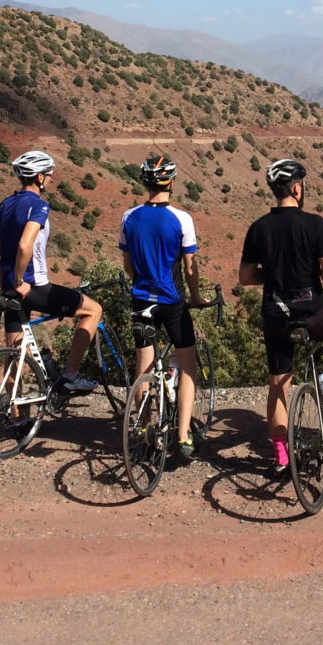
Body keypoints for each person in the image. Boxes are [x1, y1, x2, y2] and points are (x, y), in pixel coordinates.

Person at [239, 158, 323, 476]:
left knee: (278, 386)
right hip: (312, 316)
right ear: (297, 187)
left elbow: (245, 278)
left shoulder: (258, 229)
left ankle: (282, 456)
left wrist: (271, 277)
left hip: (276, 318)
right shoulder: (314, 224)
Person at [0, 150, 103, 395]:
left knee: (15, 356)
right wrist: (21, 281)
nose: (51, 179)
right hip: (34, 286)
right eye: (49, 175)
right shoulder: (39, 206)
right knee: (93, 310)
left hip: (10, 289)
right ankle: (71, 375)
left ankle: (19, 421)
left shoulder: (4, 205)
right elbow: (25, 244)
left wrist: (7, 284)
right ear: (39, 178)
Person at [119, 153, 206, 462]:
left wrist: (143, 285)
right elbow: (190, 268)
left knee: (143, 366)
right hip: (172, 302)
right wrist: (195, 297)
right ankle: (182, 435)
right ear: (171, 182)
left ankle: (143, 431)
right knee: (188, 365)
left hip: (141, 299)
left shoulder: (129, 217)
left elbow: (128, 265)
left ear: (145, 182)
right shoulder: (182, 219)